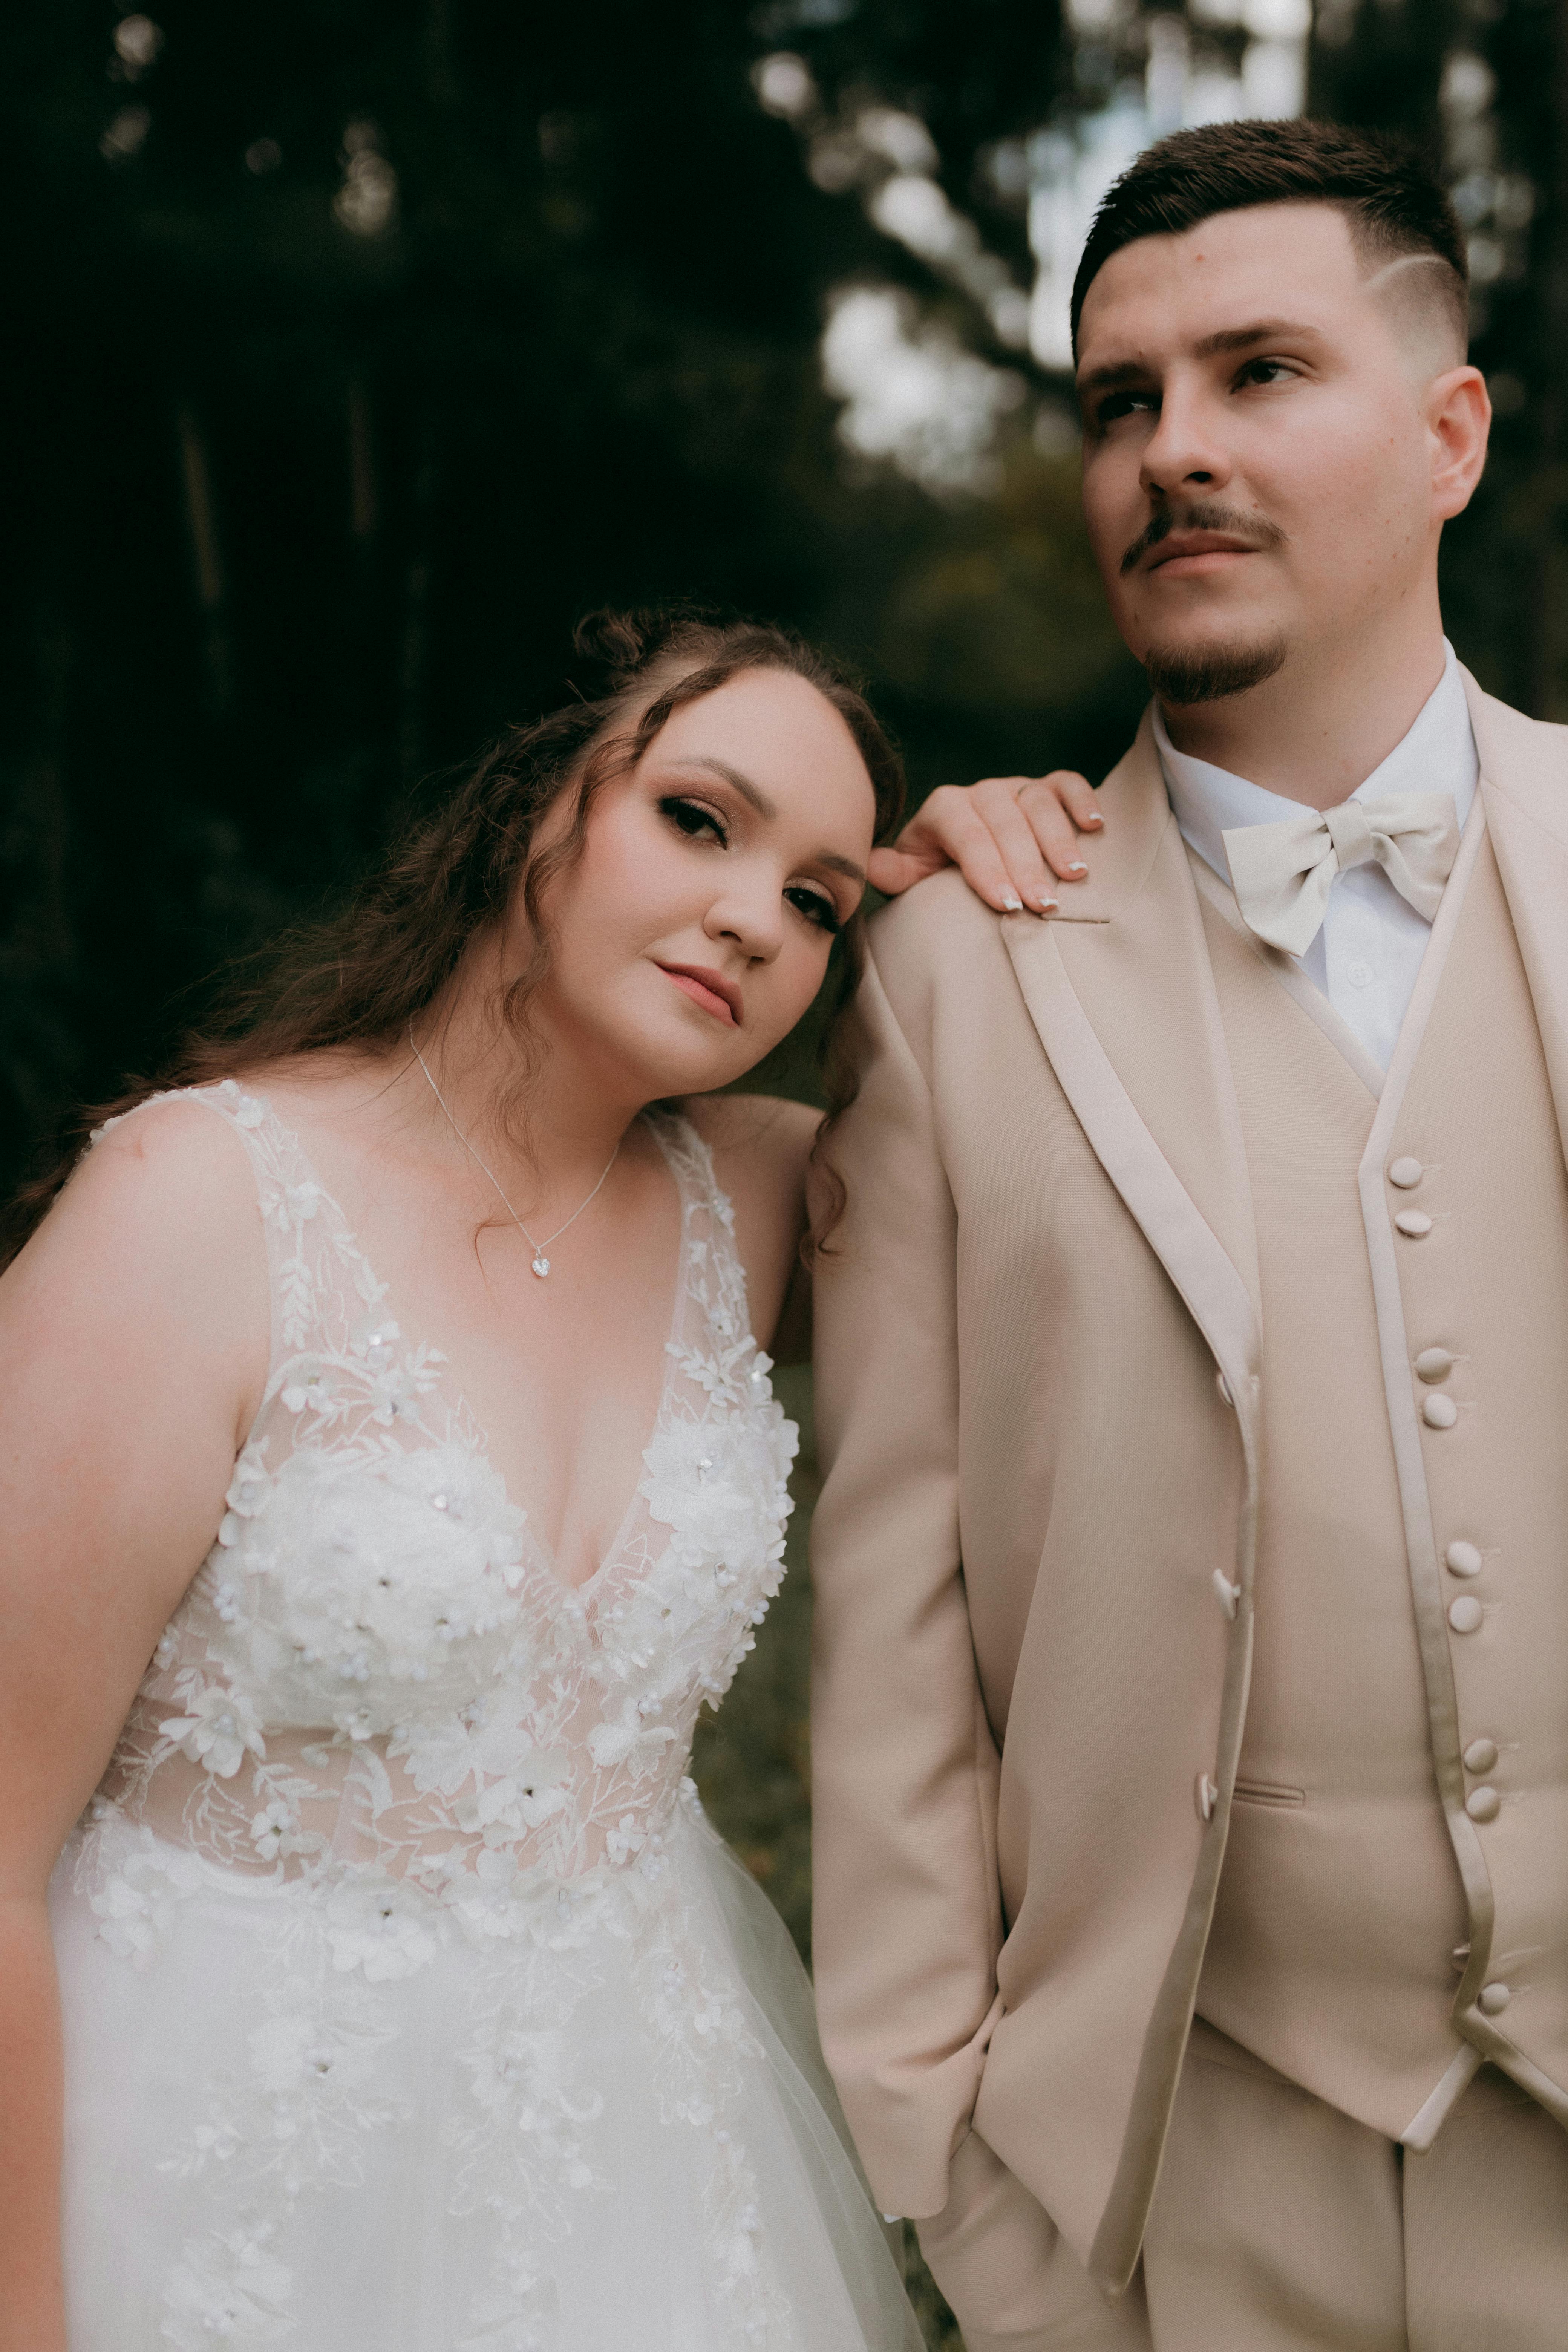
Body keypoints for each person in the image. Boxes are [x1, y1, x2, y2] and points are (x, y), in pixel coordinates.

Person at [0, 606, 1099, 2352]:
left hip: (642, 2170)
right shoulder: (196, 1209)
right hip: (219, 2183)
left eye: (820, 899)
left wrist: (1004, 892)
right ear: (537, 808)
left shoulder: (763, 1201)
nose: (754, 916)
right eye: (697, 819)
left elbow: (1095, 1195)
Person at [810, 117, 1568, 2352]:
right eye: (1121, 402)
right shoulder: (962, 964)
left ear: (1451, 436)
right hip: (1161, 2208)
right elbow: (895, 1641)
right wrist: (964, 2194)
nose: (1176, 452)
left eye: (1260, 373)